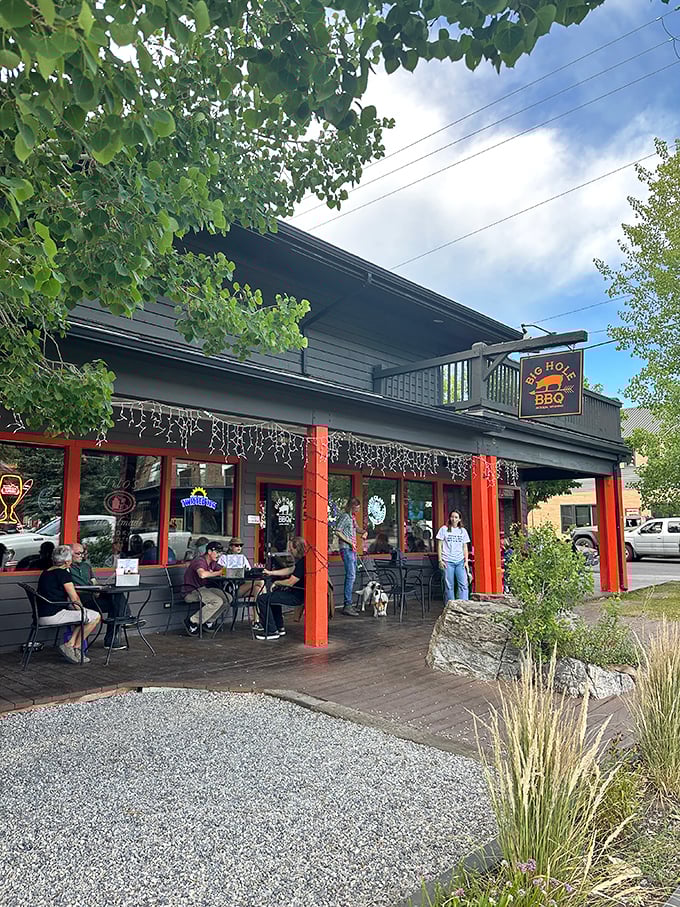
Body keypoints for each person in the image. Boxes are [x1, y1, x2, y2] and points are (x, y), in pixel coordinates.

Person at [36, 544, 101, 665]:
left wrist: (81, 613)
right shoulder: (63, 574)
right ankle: (73, 647)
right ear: (67, 562)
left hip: (43, 613)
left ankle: (72, 647)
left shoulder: (46, 572)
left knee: (82, 617)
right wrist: (83, 611)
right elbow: (74, 597)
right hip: (54, 615)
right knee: (95, 616)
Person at [69, 543, 130, 651]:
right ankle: (125, 620)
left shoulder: (86, 566)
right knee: (117, 607)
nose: (81, 556)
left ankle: (121, 623)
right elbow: (70, 589)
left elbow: (94, 581)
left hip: (94, 596)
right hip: (82, 600)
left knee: (117, 597)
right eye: (78, 553)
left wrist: (99, 587)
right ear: (70, 554)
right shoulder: (67, 569)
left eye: (82, 553)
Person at [255, 536, 306, 640]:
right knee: (273, 596)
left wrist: (277, 582)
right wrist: (270, 572)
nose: (290, 551)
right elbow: (289, 570)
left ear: (297, 548)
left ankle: (271, 631)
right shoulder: (303, 561)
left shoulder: (302, 563)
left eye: (291, 549)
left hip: (297, 596)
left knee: (262, 599)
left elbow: (291, 582)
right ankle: (279, 627)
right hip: (299, 593)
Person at [183, 541, 231, 635]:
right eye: (217, 552)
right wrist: (218, 573)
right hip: (191, 591)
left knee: (228, 598)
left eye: (220, 553)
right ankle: (192, 621)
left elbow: (224, 569)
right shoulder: (199, 561)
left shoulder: (213, 563)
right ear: (209, 551)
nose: (219, 555)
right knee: (217, 601)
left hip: (204, 589)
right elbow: (202, 574)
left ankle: (209, 621)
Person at [334, 497, 367, 617]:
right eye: (356, 509)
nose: (357, 511)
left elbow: (356, 528)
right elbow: (337, 531)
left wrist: (364, 531)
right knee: (351, 576)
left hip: (351, 549)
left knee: (353, 576)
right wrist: (349, 542)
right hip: (346, 549)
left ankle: (349, 604)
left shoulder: (352, 518)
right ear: (351, 507)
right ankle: (347, 605)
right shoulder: (345, 517)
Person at [220, 537, 265, 625]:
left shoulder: (242, 558)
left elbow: (249, 571)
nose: (239, 547)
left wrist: (244, 571)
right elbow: (220, 571)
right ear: (230, 547)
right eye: (236, 545)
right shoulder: (224, 557)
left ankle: (257, 621)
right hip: (230, 588)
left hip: (241, 586)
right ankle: (265, 614)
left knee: (258, 590)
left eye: (241, 545)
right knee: (261, 582)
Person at [436, 510, 470, 603]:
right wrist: (440, 560)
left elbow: (465, 547)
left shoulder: (462, 531)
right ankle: (450, 606)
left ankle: (464, 605)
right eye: (452, 517)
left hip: (460, 561)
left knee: (463, 584)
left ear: (459, 519)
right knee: (449, 585)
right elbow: (439, 545)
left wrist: (466, 561)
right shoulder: (444, 529)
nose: (453, 519)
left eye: (456, 517)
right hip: (447, 561)